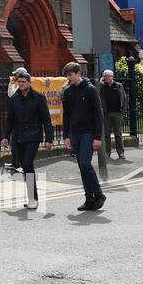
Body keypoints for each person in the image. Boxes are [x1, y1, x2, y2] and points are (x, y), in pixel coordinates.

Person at [0, 69, 53, 209]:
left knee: (27, 162)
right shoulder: (14, 99)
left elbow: (46, 120)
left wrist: (49, 139)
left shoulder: (39, 98)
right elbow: (10, 120)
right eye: (19, 82)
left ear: (29, 83)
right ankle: (32, 196)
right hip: (18, 137)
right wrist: (5, 136)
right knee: (25, 165)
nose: (21, 84)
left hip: (33, 136)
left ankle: (32, 198)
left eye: (24, 82)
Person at [61, 62, 105, 211]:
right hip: (75, 133)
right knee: (81, 166)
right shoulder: (68, 92)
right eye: (67, 75)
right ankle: (89, 199)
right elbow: (66, 116)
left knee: (85, 163)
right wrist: (66, 136)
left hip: (88, 133)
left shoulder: (90, 90)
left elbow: (98, 115)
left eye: (70, 75)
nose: (68, 78)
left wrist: (97, 137)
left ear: (79, 73)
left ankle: (99, 194)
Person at [99, 69, 127, 161]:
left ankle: (121, 152)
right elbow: (98, 94)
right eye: (105, 76)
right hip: (106, 113)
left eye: (108, 76)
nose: (107, 77)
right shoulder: (102, 87)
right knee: (106, 134)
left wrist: (122, 110)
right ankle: (107, 152)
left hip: (117, 113)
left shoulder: (119, 85)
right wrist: (100, 83)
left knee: (118, 133)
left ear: (112, 77)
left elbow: (124, 98)